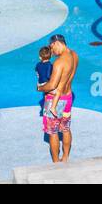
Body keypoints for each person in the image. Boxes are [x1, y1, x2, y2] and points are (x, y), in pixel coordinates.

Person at [38, 34, 78, 162]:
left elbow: (52, 85)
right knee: (65, 129)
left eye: (52, 47)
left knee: (53, 132)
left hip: (55, 99)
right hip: (68, 97)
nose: (52, 51)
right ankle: (65, 157)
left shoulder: (59, 62)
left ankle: (56, 163)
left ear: (56, 43)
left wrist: (39, 88)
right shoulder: (74, 55)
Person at [35, 45, 60, 123]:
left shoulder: (38, 64)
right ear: (51, 56)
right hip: (46, 84)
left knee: (46, 95)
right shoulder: (50, 65)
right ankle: (53, 107)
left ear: (40, 57)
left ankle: (45, 108)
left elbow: (37, 73)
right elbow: (48, 76)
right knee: (58, 92)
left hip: (39, 84)